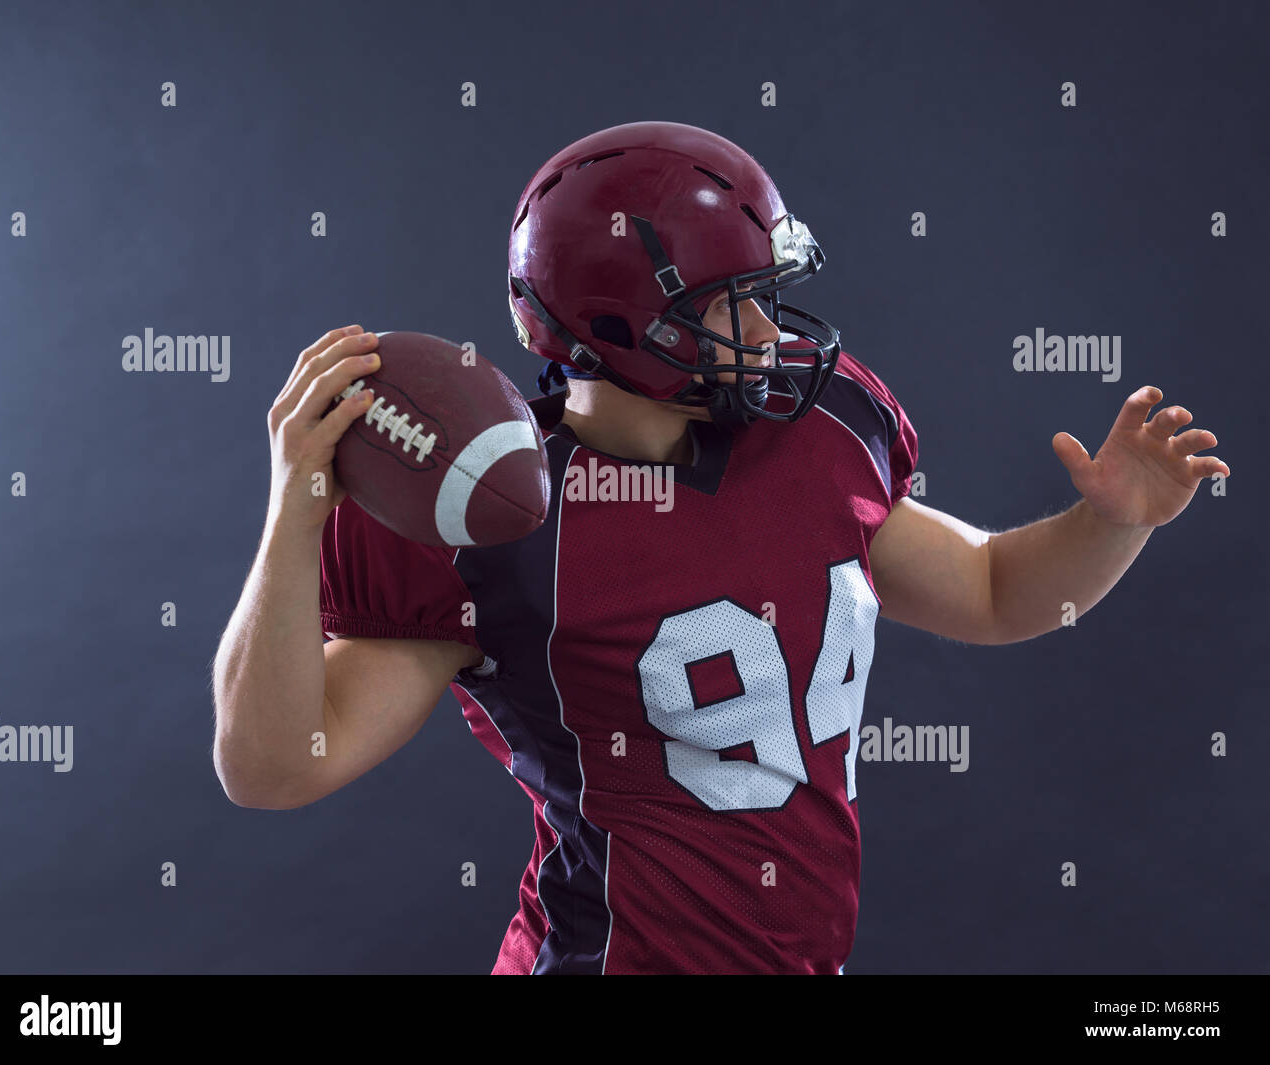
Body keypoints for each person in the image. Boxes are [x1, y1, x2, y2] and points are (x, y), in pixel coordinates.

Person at [211, 121, 1229, 975]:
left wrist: (1112, 521)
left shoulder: (823, 426)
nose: (768, 326)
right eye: (727, 304)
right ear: (623, 329)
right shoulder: (494, 524)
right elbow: (272, 769)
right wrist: (295, 514)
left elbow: (998, 592)